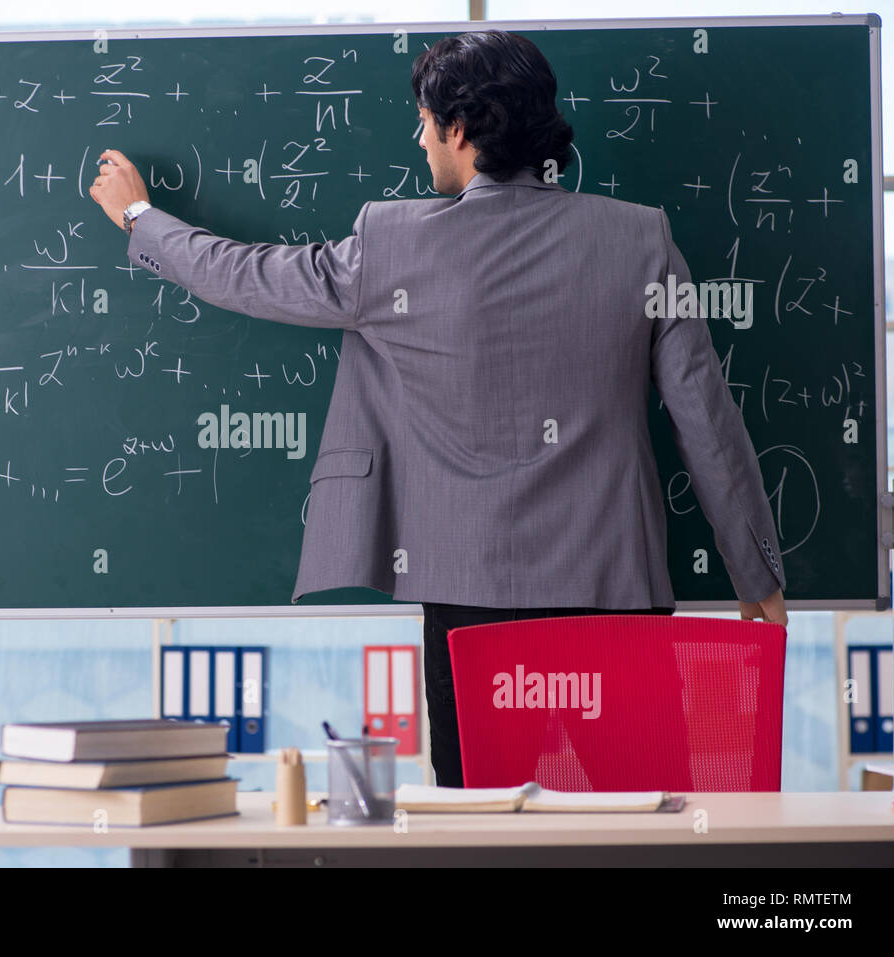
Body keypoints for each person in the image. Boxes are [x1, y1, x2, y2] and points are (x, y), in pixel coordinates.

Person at [89, 30, 788, 786]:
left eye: (424, 120)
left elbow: (250, 275)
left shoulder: (390, 244)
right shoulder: (642, 239)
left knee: (482, 839)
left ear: (461, 129)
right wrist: (758, 577)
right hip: (614, 596)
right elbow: (708, 423)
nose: (419, 137)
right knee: (641, 829)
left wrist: (141, 220)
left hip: (470, 608)